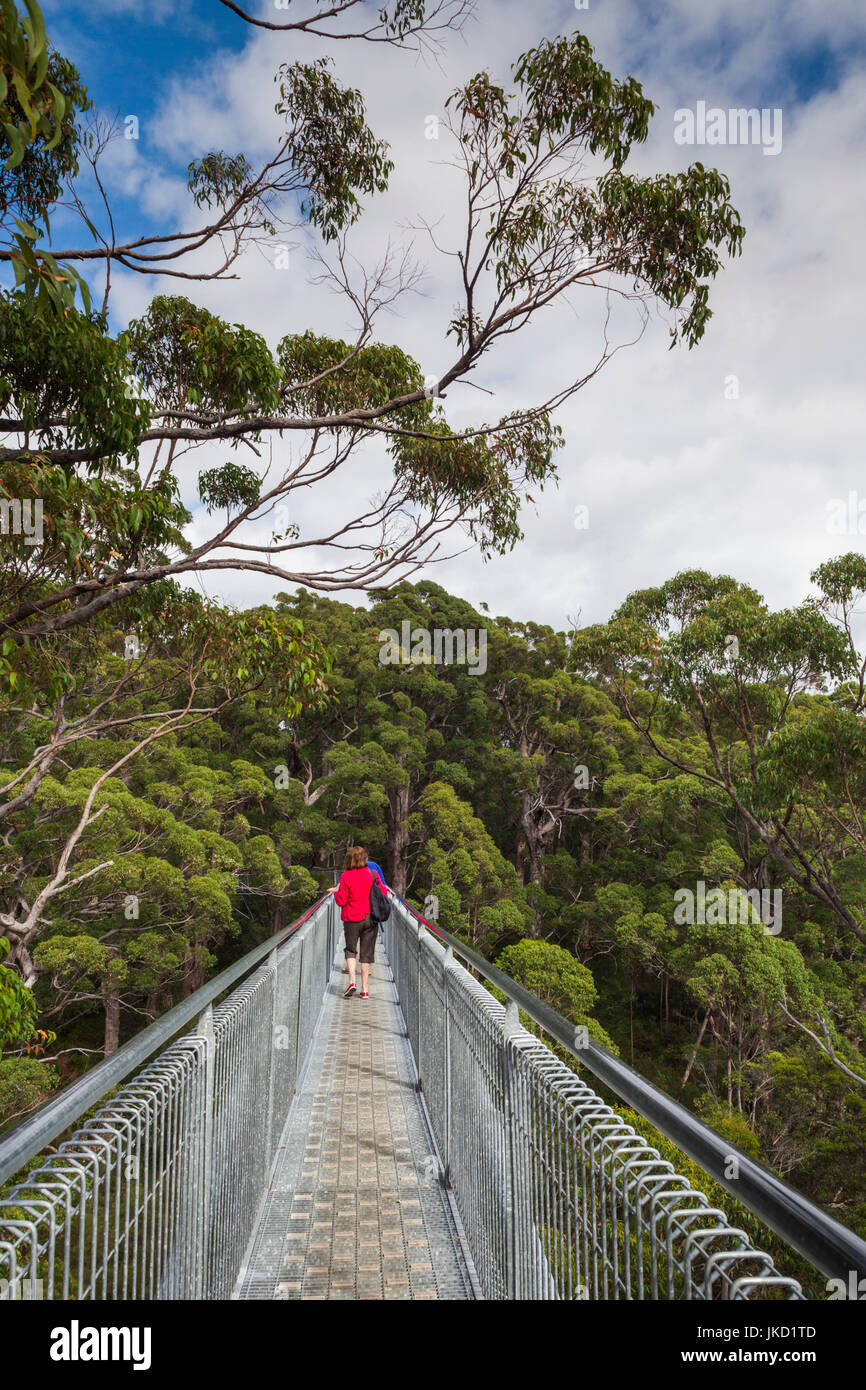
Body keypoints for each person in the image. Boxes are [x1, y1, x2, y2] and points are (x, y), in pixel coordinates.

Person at [330, 847, 382, 999]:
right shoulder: (373, 874)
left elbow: (341, 900)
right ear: (364, 858)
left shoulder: (346, 876)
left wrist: (335, 893)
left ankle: (352, 982)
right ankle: (365, 990)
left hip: (352, 918)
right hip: (370, 918)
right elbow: (383, 893)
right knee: (367, 954)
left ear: (349, 859)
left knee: (351, 950)